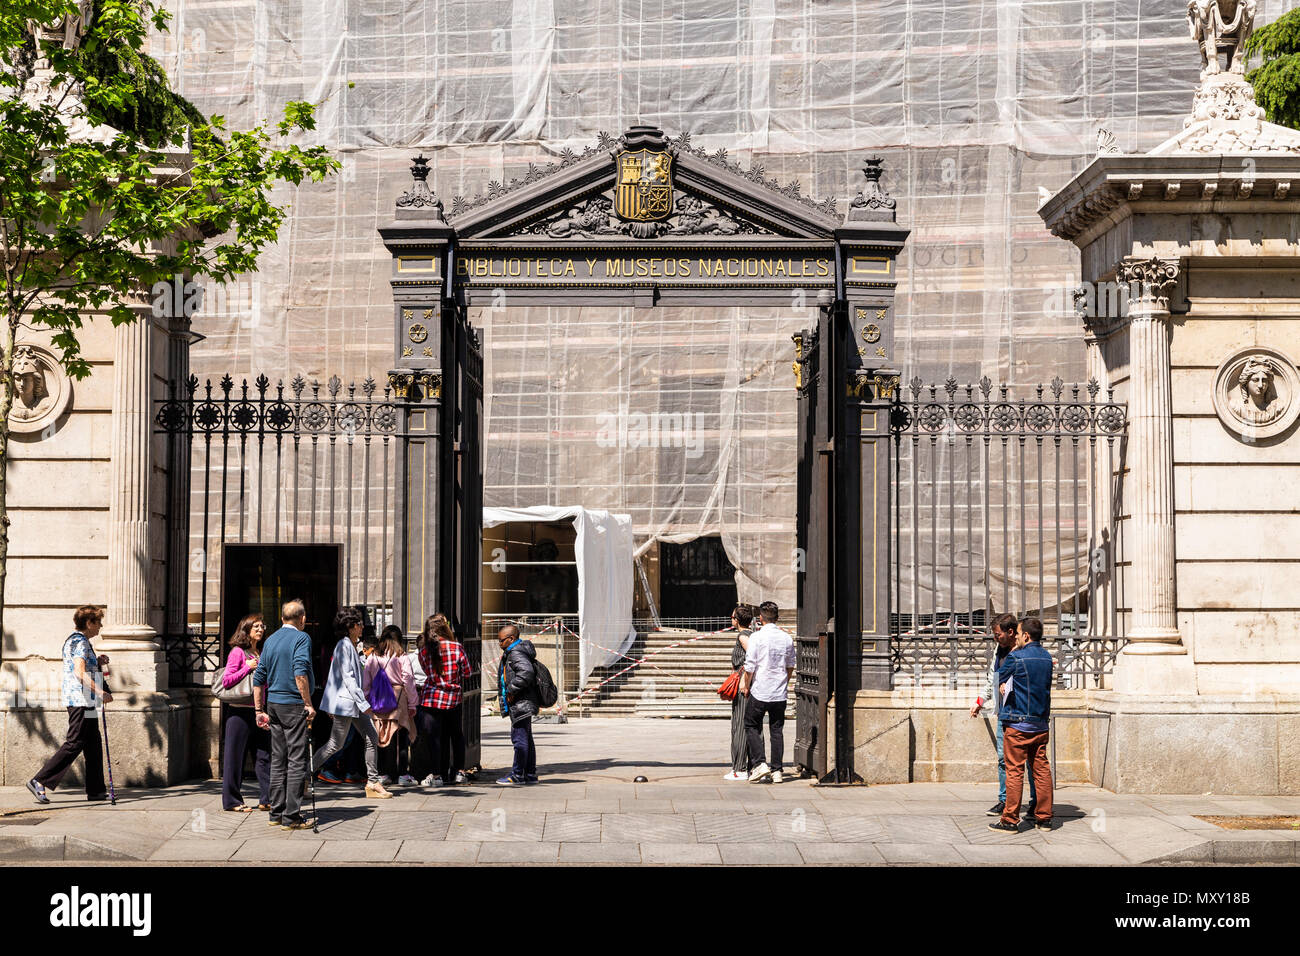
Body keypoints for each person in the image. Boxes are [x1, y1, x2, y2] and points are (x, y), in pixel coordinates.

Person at [28, 605, 112, 804]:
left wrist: (98, 661)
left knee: (93, 743)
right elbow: (79, 672)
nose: (100, 626)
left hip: (87, 700)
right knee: (74, 742)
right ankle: (39, 780)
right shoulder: (79, 642)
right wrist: (100, 692)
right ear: (89, 623)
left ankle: (96, 790)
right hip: (80, 700)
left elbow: (84, 666)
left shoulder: (82, 642)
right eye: (98, 622)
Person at [312, 608, 390, 798]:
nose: (362, 627)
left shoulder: (352, 645)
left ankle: (373, 781)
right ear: (351, 627)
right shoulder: (344, 646)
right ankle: (304, 774)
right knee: (335, 744)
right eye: (359, 624)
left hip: (353, 704)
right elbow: (347, 678)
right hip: (347, 704)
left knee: (371, 738)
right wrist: (364, 704)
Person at [252, 600, 316, 830]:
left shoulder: (270, 640)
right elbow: (300, 673)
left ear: (281, 619)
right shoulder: (302, 638)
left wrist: (259, 710)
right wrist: (308, 704)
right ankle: (291, 817)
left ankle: (276, 813)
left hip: (274, 705)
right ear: (302, 619)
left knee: (278, 760)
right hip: (293, 705)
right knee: (297, 761)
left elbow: (259, 678)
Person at [988, 616, 1055, 833]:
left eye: (1017, 632)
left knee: (1014, 771)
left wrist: (1004, 686)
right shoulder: (1046, 658)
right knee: (1041, 770)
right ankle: (1044, 818)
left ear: (1026, 635)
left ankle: (1009, 820)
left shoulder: (1016, 657)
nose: (1015, 636)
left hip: (1018, 724)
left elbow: (997, 678)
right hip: (1040, 724)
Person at [969, 612, 1035, 818]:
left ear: (1010, 632)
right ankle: (1004, 800)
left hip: (1023, 713)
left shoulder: (1026, 647)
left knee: (1031, 761)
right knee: (1002, 759)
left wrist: (1011, 686)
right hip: (1004, 712)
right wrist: (980, 701)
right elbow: (993, 678)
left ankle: (1035, 802)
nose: (994, 638)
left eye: (997, 635)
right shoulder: (1000, 650)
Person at [220, 613, 271, 812]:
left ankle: (267, 799)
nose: (260, 629)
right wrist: (247, 668)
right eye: (256, 626)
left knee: (264, 756)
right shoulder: (237, 652)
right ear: (246, 630)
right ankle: (232, 801)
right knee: (235, 758)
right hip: (239, 713)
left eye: (262, 626)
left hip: (258, 712)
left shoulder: (260, 652)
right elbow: (227, 681)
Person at [741, 601, 795, 784]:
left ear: (760, 619)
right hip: (779, 692)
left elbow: (750, 667)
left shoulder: (756, 637)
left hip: (760, 690)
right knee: (776, 730)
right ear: (777, 618)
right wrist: (783, 682)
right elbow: (790, 666)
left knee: (751, 724)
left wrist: (746, 685)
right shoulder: (786, 638)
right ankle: (778, 770)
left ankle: (760, 763)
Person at [417, 613, 473, 787]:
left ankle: (436, 774)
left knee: (435, 738)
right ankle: (459, 772)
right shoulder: (456, 647)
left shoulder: (424, 651)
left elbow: (426, 671)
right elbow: (467, 673)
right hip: (453, 699)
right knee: (456, 735)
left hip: (431, 699)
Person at [365, 626, 418, 776]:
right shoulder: (402, 656)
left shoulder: (373, 656)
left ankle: (383, 773)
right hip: (398, 698)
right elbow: (408, 679)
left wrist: (366, 701)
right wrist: (413, 703)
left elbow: (365, 683)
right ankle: (402, 773)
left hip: (378, 700)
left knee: (381, 735)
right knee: (401, 736)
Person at [496, 623, 540, 786]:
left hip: (520, 702)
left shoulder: (516, 653)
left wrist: (511, 690)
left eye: (501, 641)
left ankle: (517, 774)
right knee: (526, 738)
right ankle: (529, 774)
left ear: (511, 639)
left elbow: (526, 673)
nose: (499, 644)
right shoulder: (516, 651)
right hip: (523, 702)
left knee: (519, 739)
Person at [723, 604, 755, 782]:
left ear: (737, 620)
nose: (731, 620)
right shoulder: (751, 634)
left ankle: (740, 768)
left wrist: (743, 677)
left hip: (744, 685)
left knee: (740, 725)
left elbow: (753, 655)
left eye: (732, 617)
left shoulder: (743, 635)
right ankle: (749, 766)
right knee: (747, 724)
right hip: (746, 683)